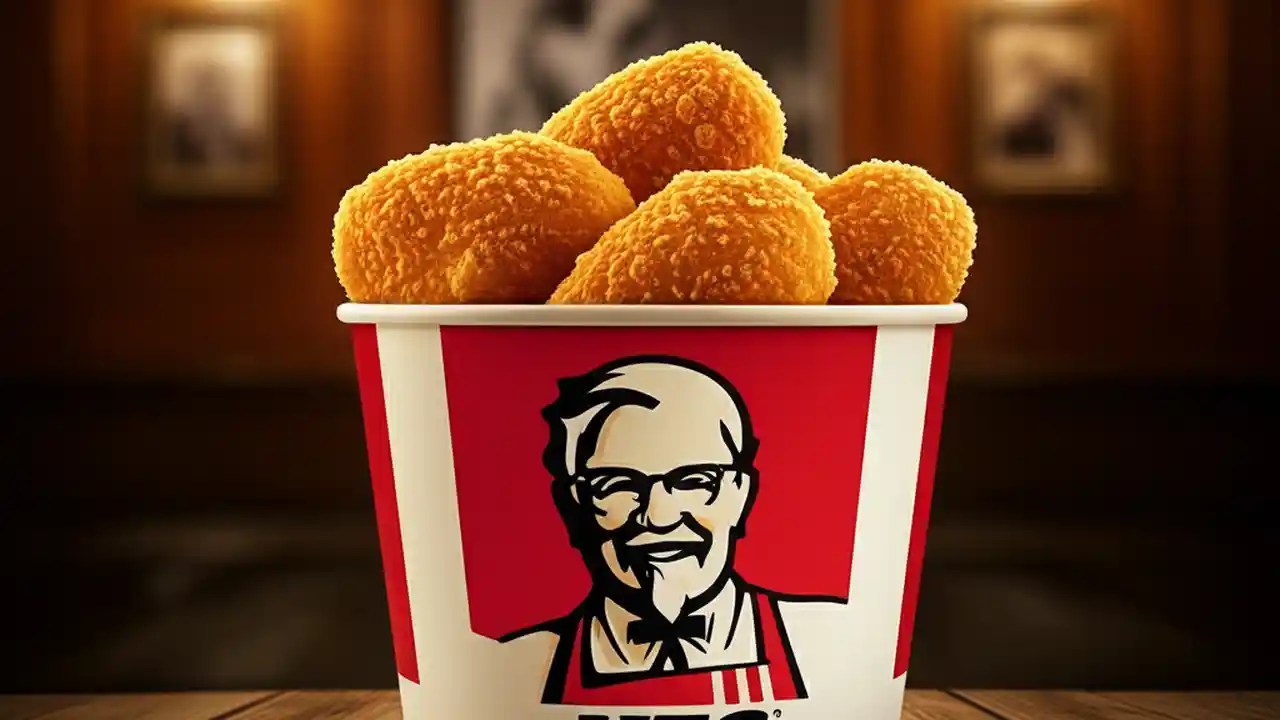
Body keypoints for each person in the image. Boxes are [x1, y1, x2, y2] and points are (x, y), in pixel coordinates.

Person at [503, 356, 844, 705]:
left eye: (695, 481)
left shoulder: (830, 639)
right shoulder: (512, 667)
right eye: (618, 483)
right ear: (575, 504)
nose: (659, 516)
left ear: (741, 494)